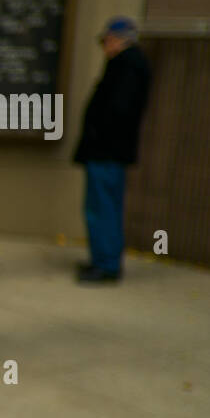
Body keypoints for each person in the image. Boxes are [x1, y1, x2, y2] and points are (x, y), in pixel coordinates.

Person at [73, 17, 151, 284]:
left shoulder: (125, 67)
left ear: (117, 40)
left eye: (105, 40)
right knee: (107, 205)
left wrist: (96, 133)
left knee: (101, 206)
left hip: (106, 150)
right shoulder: (132, 65)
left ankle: (105, 263)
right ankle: (104, 259)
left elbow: (117, 110)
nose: (104, 47)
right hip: (112, 149)